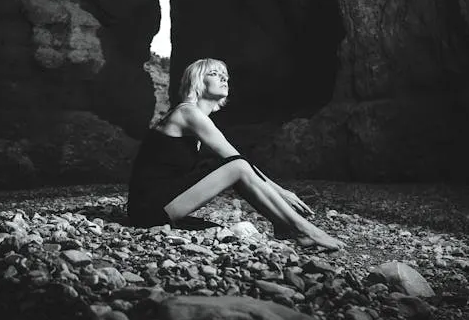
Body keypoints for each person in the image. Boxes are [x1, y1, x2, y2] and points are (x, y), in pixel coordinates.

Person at [127, 58, 344, 251]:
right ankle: (301, 229)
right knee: (237, 166)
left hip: (154, 206)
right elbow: (237, 161)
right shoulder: (187, 112)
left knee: (225, 165)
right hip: (149, 207)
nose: (223, 79)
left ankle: (287, 226)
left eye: (225, 76)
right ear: (197, 81)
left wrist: (278, 191)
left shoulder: (193, 118)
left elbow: (234, 162)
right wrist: (281, 192)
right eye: (214, 74)